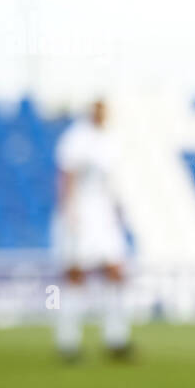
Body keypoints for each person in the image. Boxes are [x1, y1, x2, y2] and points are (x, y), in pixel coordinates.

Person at [51, 98, 133, 360]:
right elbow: (67, 176)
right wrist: (69, 210)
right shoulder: (75, 138)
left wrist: (119, 210)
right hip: (81, 211)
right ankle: (68, 341)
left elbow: (113, 180)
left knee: (115, 272)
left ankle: (116, 338)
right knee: (75, 275)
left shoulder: (109, 140)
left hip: (104, 212)